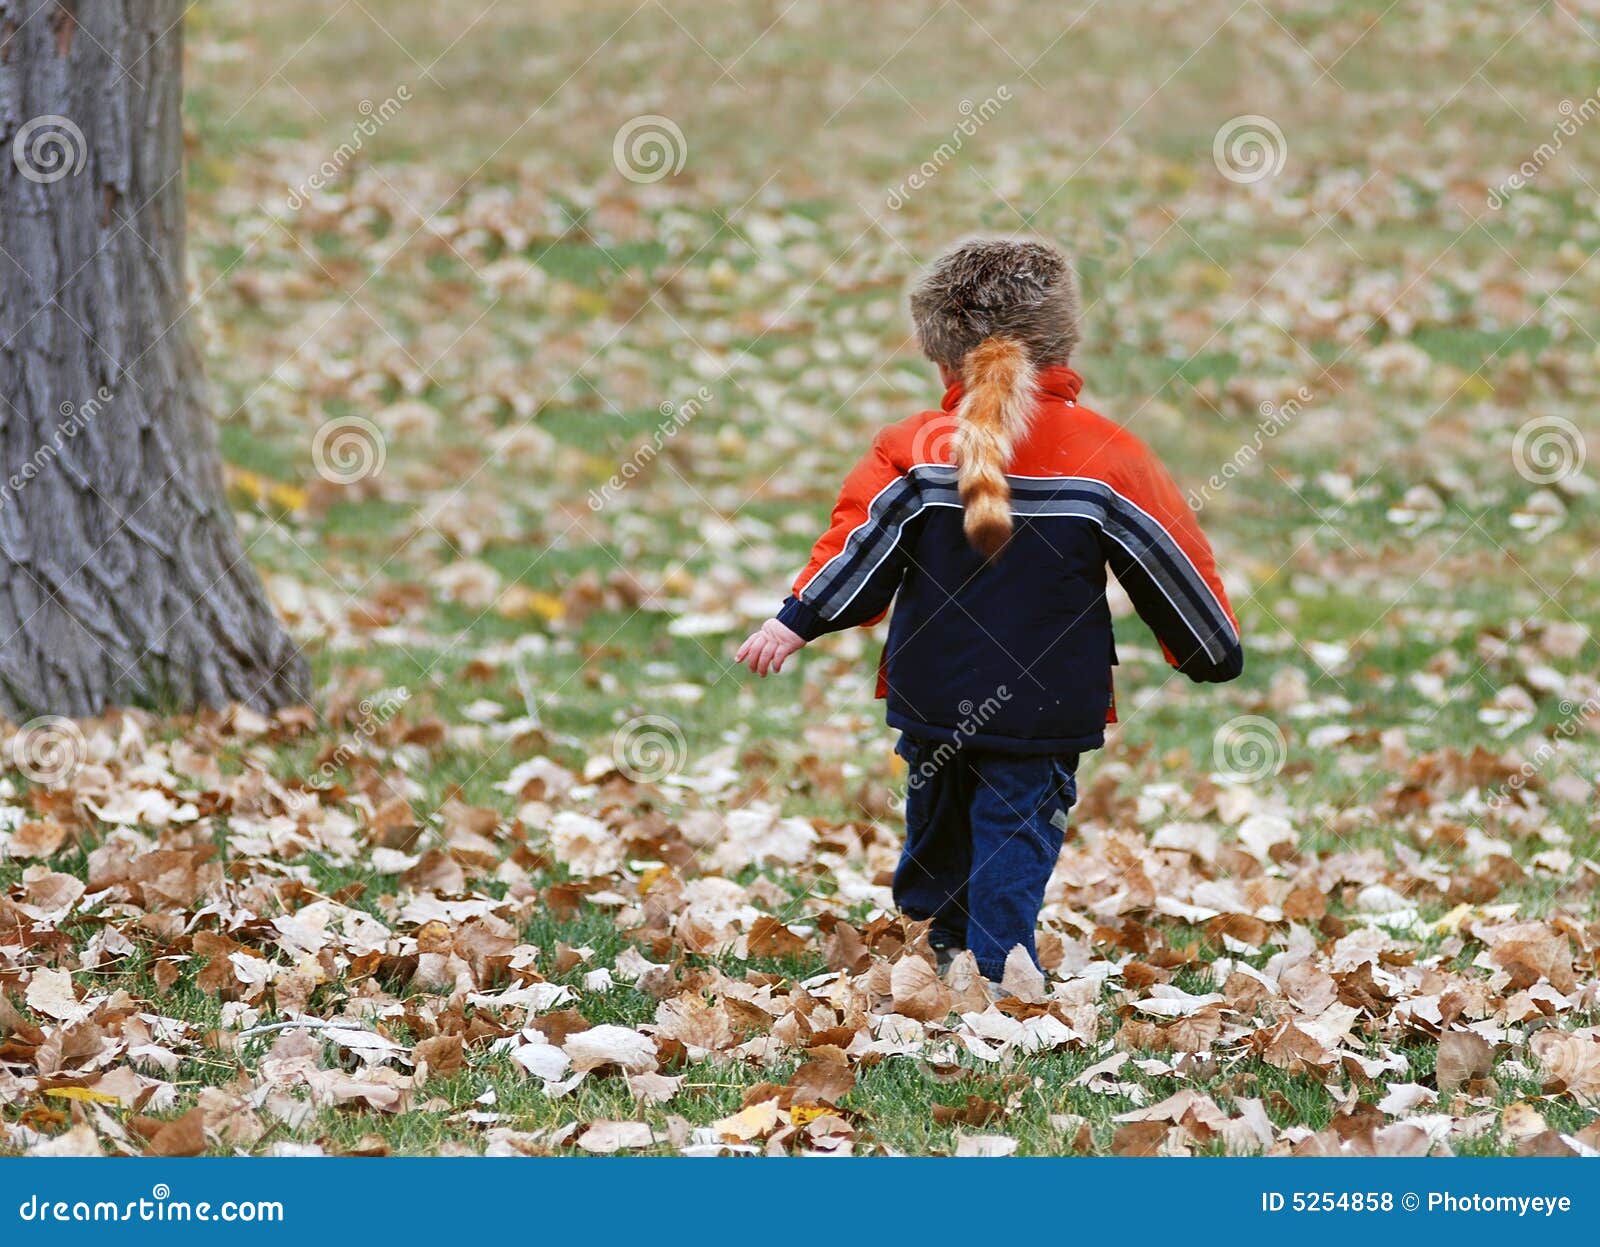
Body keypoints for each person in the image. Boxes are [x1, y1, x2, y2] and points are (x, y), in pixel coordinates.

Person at [735, 237, 1243, 987]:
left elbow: (860, 545)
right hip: (1049, 696)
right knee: (1015, 822)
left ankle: (965, 944)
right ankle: (987, 952)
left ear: (944, 360)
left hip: (931, 685)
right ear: (1062, 342)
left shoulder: (916, 445)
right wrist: (1209, 647)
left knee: (938, 801)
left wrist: (797, 617)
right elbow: (1167, 557)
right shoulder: (1108, 453)